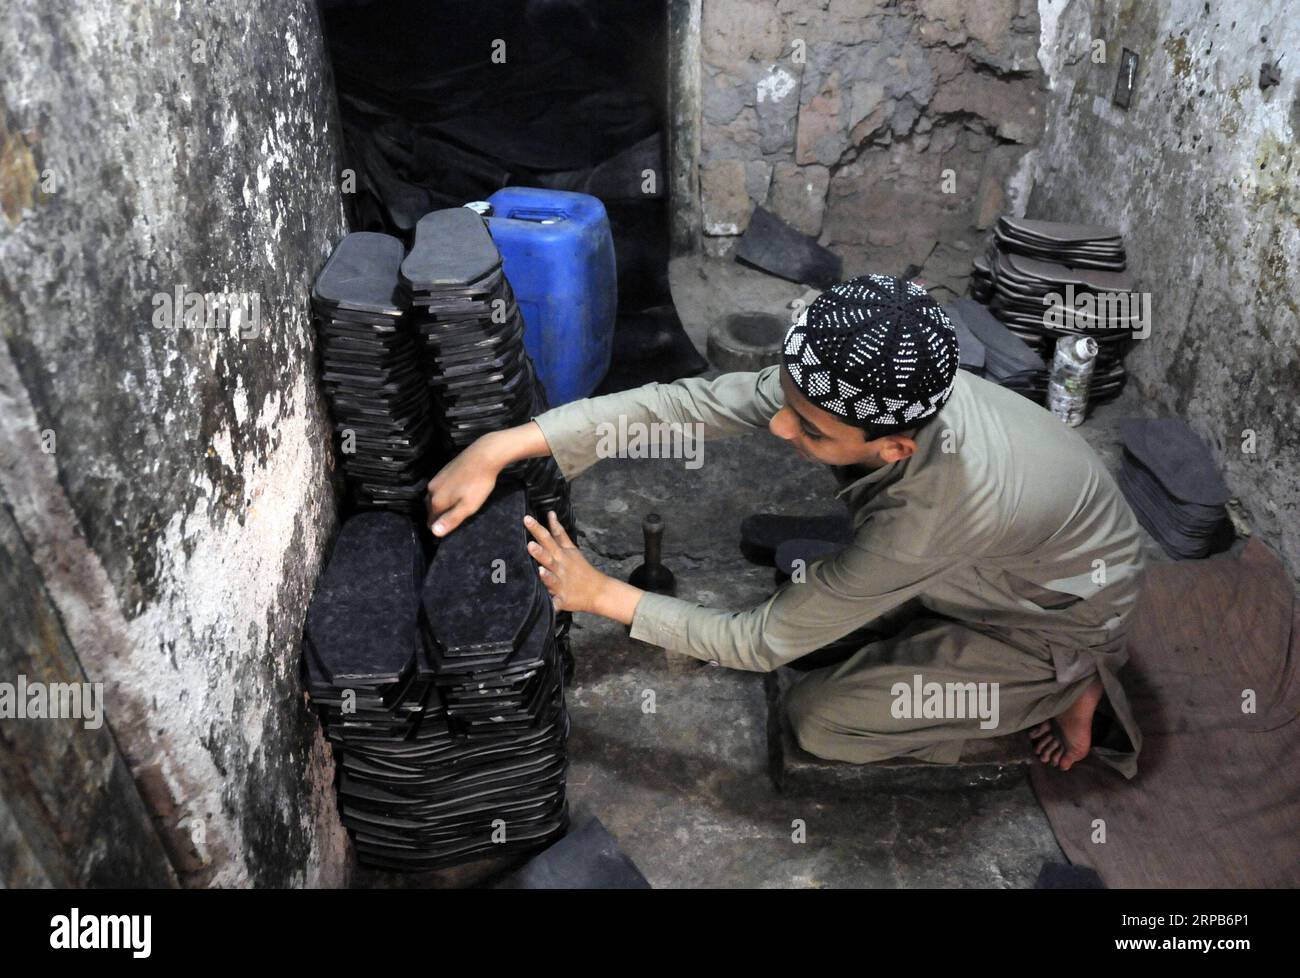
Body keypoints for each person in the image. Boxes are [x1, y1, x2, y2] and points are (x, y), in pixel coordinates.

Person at [426, 275, 1144, 776]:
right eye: (788, 400)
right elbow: (687, 408)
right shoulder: (873, 375)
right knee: (826, 591)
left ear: (893, 448)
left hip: (1055, 618)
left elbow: (760, 642)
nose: (777, 424)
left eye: (809, 429)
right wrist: (511, 443)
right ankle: (969, 640)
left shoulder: (930, 516)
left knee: (820, 720)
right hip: (1015, 557)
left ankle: (1066, 686)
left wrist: (601, 595)